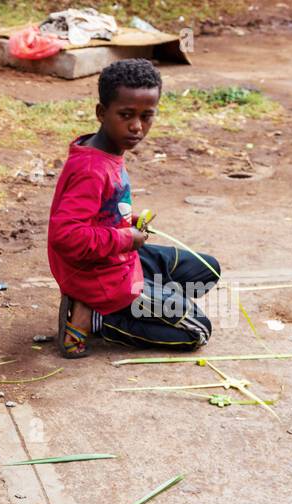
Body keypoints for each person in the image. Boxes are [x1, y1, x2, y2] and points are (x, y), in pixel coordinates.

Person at [49, 58, 219, 358]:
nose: (137, 126)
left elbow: (101, 211)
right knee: (198, 330)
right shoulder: (91, 168)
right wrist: (126, 238)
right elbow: (67, 237)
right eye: (126, 115)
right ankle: (106, 319)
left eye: (146, 116)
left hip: (119, 260)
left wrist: (130, 221)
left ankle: (127, 303)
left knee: (207, 269)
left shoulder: (108, 149)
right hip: (102, 275)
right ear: (102, 113)